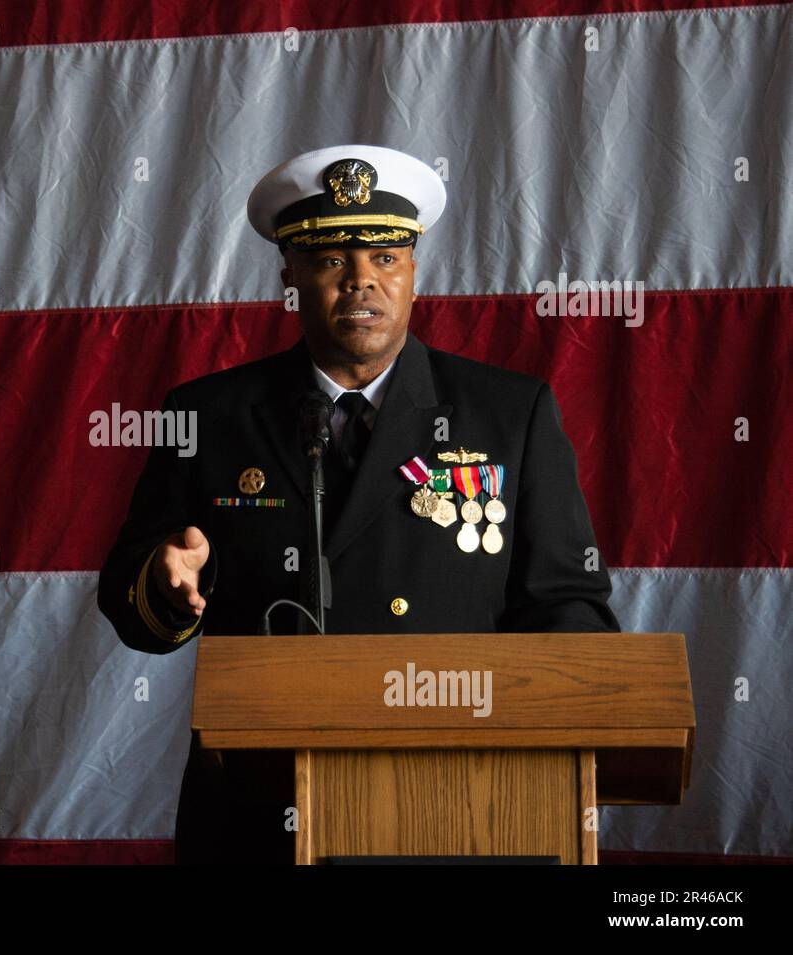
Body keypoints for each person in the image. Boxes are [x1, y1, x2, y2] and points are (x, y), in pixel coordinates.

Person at [97, 145, 620, 864]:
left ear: (414, 270)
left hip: (459, 806)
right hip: (263, 814)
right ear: (290, 273)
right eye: (332, 259)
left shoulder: (507, 414)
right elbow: (131, 602)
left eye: (385, 257)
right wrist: (162, 583)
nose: (361, 281)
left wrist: (563, 709)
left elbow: (569, 604)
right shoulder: (209, 417)